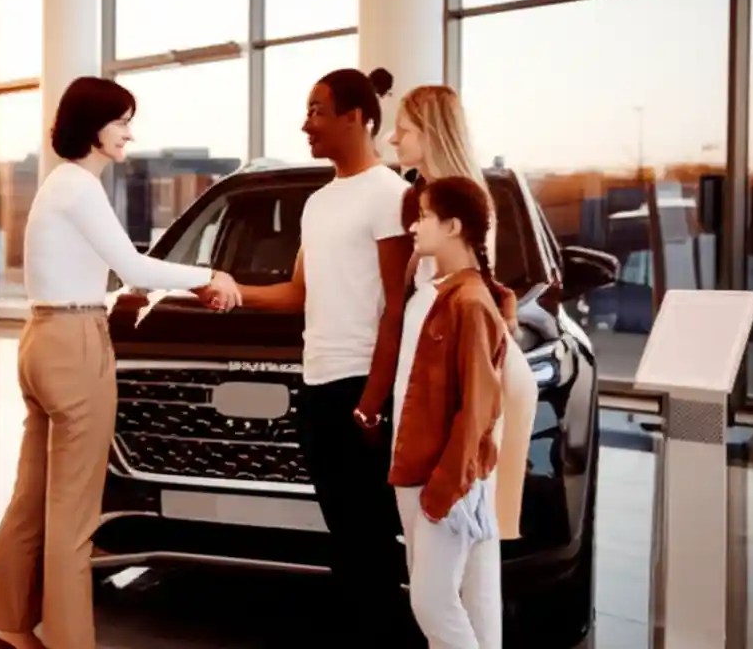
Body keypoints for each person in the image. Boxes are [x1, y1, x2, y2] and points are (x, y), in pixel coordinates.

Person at [0, 76, 241, 649]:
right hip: (75, 343)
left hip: (40, 338)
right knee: (74, 515)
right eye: (121, 120)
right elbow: (137, 270)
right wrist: (210, 275)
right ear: (92, 127)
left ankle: (13, 628)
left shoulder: (59, 186)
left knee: (32, 499)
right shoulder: (79, 187)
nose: (130, 131)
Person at [211, 67, 417, 644]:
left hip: (362, 390)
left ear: (358, 117)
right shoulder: (320, 202)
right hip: (320, 386)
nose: (307, 125)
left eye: (317, 111)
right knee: (346, 538)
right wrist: (231, 287)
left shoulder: (389, 195)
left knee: (371, 542)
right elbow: (299, 294)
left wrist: (373, 404)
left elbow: (395, 309)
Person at [389, 84, 537, 544]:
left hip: (456, 374)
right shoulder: (430, 197)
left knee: (464, 534)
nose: (393, 140)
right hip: (441, 369)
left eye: (403, 130)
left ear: (431, 134)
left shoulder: (455, 206)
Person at [390, 175, 511, 648]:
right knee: (435, 603)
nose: (414, 227)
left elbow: (479, 408)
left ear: (454, 225)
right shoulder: (445, 295)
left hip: (444, 481)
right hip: (422, 474)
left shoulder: (470, 302)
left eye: (422, 216)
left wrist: (443, 490)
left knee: (432, 602)